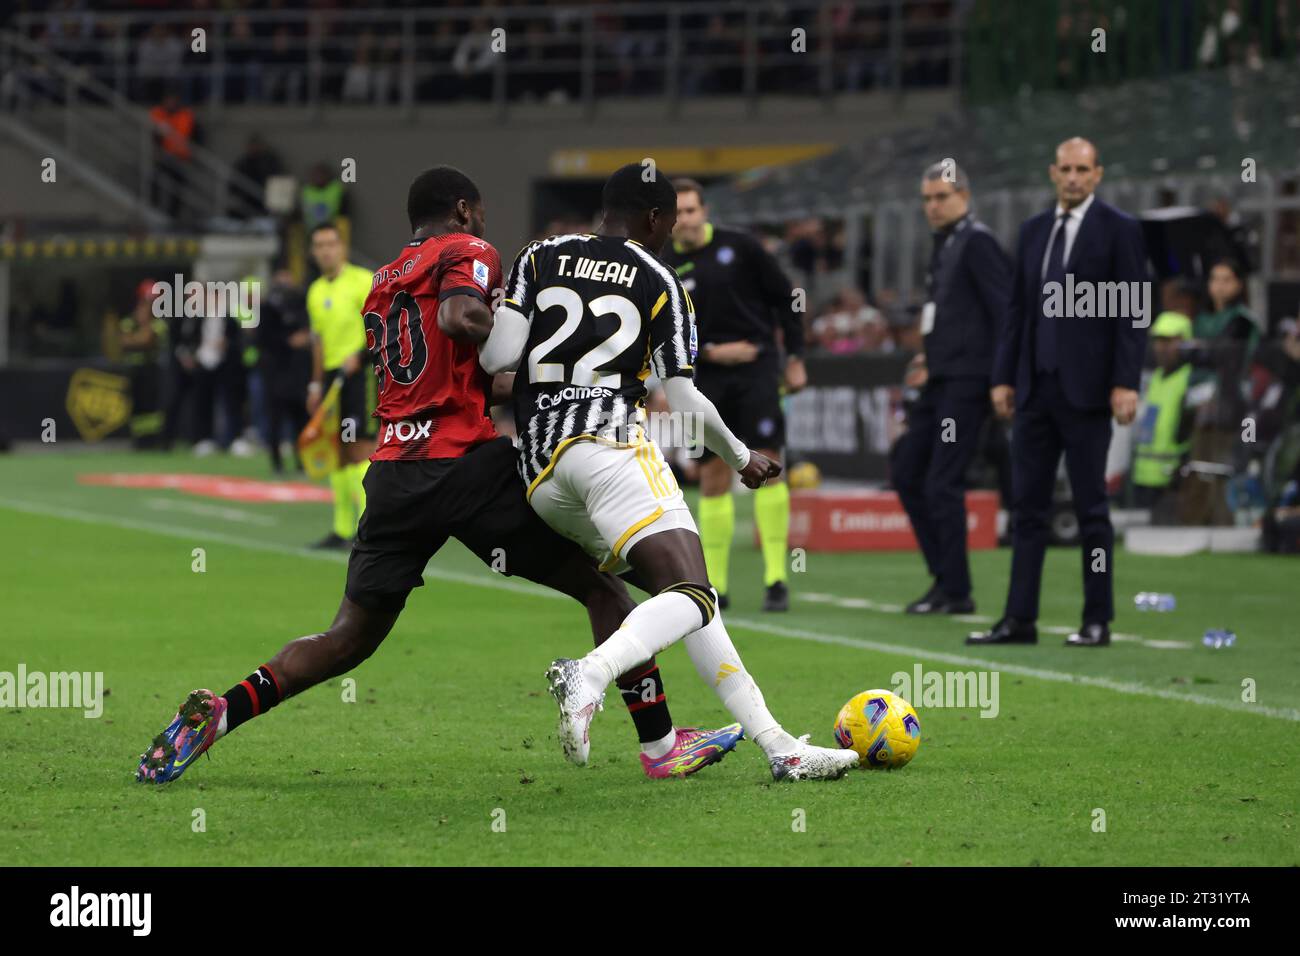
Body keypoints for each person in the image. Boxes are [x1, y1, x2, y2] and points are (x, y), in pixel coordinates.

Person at [136, 166, 742, 786]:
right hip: (465, 467)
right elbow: (460, 319)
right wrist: (548, 355)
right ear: (461, 210)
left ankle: (223, 710)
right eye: (478, 213)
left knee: (348, 639)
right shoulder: (466, 251)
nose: (483, 226)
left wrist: (525, 376)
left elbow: (452, 366)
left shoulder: (381, 281)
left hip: (395, 474)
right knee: (605, 588)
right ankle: (663, 744)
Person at [480, 164, 858, 780]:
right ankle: (591, 672)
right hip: (610, 448)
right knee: (693, 593)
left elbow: (497, 356)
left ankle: (779, 747)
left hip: (543, 475)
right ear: (657, 218)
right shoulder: (661, 279)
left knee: (689, 599)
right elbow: (682, 398)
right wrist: (741, 456)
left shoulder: (540, 253)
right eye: (672, 218)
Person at [969, 137, 1149, 649]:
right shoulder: (1033, 231)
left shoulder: (1120, 230)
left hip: (1090, 393)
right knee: (1027, 509)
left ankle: (1097, 620)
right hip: (1035, 390)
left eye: (1082, 169)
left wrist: (1125, 382)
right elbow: (1017, 312)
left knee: (1092, 508)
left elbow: (1132, 311)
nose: (1073, 177)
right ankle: (1019, 619)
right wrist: (1004, 377)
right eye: (1065, 169)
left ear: (1098, 174)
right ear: (1053, 173)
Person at [661, 178, 807, 612]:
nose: (685, 220)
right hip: (699, 378)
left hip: (757, 370)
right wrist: (706, 353)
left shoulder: (742, 248)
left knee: (767, 461)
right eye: (677, 214)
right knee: (711, 475)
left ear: (704, 210)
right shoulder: (663, 266)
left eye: (691, 210)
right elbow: (662, 331)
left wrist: (796, 356)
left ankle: (777, 578)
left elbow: (789, 298)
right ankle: (717, 585)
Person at [891, 162, 1011, 615]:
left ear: (965, 194)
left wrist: (1002, 378)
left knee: (942, 481)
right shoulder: (947, 244)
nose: (933, 207)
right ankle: (944, 579)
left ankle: (955, 589)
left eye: (941, 197)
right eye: (927, 199)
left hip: (968, 381)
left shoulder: (977, 242)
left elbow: (1004, 314)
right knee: (906, 470)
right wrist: (928, 356)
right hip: (942, 378)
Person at [304, 222, 376, 548]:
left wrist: (360, 356)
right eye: (319, 245)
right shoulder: (315, 292)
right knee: (336, 451)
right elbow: (317, 343)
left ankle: (367, 528)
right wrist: (315, 386)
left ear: (342, 247)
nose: (326, 251)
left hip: (361, 374)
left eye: (331, 244)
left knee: (360, 447)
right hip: (333, 378)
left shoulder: (363, 281)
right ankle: (342, 528)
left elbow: (382, 325)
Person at [1132, 311, 1194, 519]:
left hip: (1172, 480)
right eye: (1158, 340)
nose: (1161, 347)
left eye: (1168, 341)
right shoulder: (1156, 378)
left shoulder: (1189, 380)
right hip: (1143, 477)